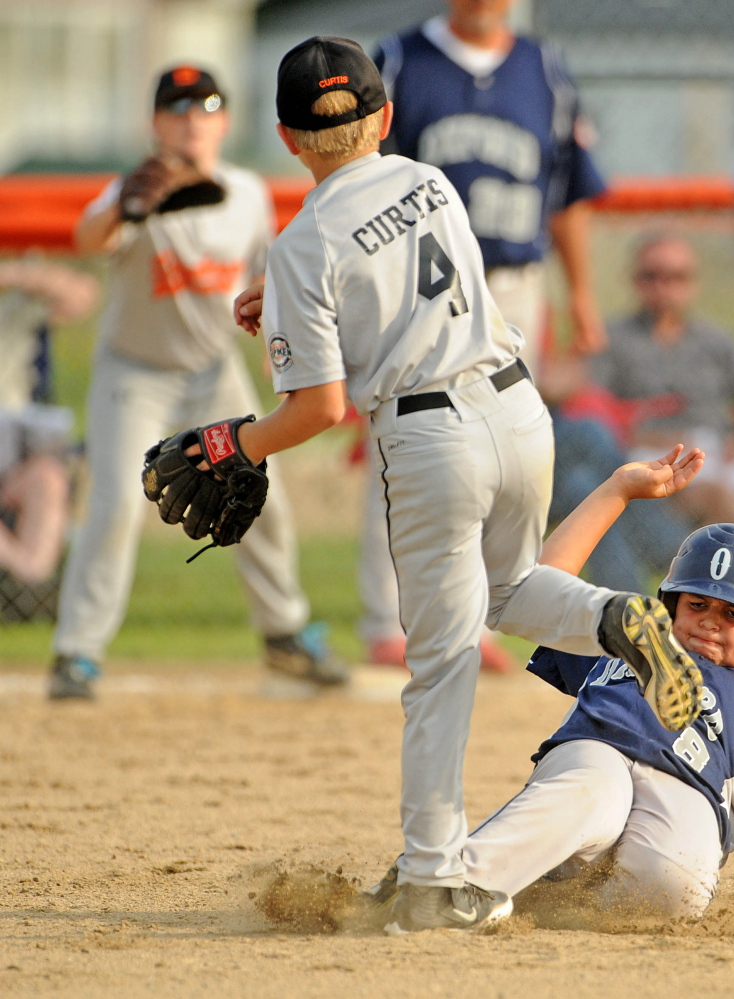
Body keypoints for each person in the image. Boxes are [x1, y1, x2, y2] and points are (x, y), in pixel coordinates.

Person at [226, 36, 703, 934]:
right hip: (520, 411)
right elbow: (395, 271)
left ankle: (432, 875)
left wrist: (233, 443)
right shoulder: (431, 181)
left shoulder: (300, 244)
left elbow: (319, 407)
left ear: (288, 139)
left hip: (431, 437)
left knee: (441, 662)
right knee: (513, 590)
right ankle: (613, 617)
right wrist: (283, 294)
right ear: (388, 118)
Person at [368, 470, 734, 924]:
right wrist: (618, 490)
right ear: (670, 603)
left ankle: (518, 894)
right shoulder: (630, 638)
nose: (709, 621)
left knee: (673, 878)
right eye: (696, 604)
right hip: (590, 774)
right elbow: (541, 591)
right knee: (597, 785)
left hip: (676, 840)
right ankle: (447, 887)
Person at [49, 65, 347, 700]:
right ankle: (76, 651)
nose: (191, 120)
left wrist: (277, 350)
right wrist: (129, 206)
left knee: (259, 491)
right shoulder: (135, 188)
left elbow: (273, 278)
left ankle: (284, 634)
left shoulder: (245, 192)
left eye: (205, 108)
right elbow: (85, 238)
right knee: (116, 507)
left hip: (214, 373)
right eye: (177, 109)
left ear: (225, 121)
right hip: (135, 372)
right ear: (157, 123)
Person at [360, 0, 608, 668]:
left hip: (515, 282)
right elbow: (360, 180)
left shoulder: (545, 68)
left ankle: (484, 619)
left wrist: (581, 293)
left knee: (503, 449)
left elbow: (569, 194)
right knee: (407, 436)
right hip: (419, 279)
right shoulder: (400, 60)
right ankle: (389, 618)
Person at [587, 235, 734, 535]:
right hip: (655, 458)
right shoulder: (612, 340)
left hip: (719, 449)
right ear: (635, 280)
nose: (663, 287)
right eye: (652, 276)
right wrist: (649, 435)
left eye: (676, 277)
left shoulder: (716, 340)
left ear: (693, 283)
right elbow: (593, 413)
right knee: (718, 492)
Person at [0, 259, 97, 594]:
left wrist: (20, 275)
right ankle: (21, 575)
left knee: (49, 480)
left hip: (14, 444)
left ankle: (29, 587)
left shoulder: (20, 296)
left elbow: (83, 296)